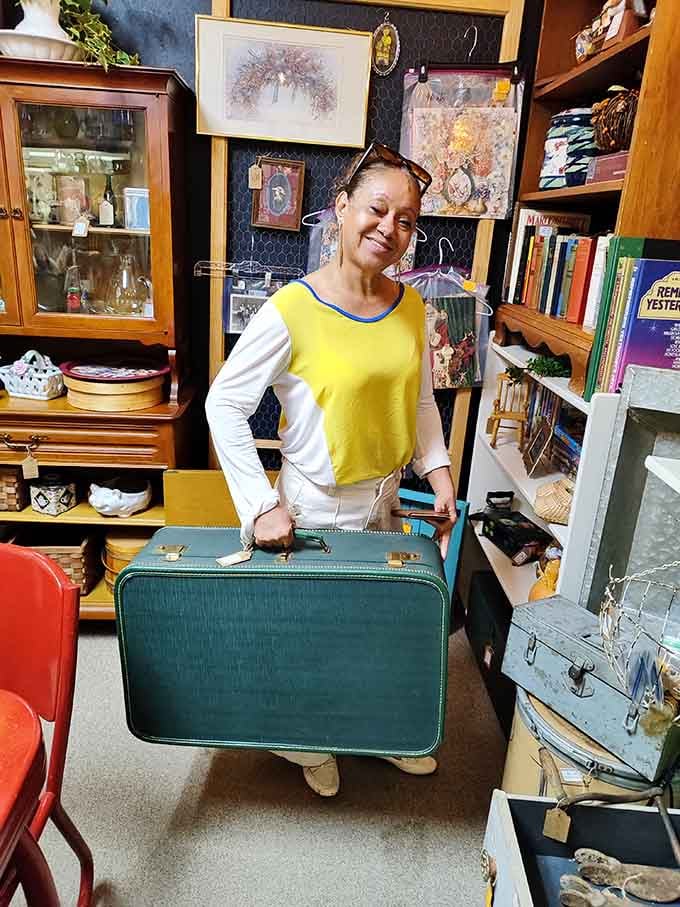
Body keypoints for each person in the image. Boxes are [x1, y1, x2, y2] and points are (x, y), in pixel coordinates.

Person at [206, 141, 458, 798]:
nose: (390, 229)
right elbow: (225, 402)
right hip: (314, 505)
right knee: (309, 634)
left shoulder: (411, 307)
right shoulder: (293, 307)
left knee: (373, 629)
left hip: (384, 503)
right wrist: (260, 506)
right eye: (377, 209)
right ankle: (306, 738)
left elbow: (421, 397)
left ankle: (374, 732)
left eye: (406, 220)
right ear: (342, 208)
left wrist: (438, 473)